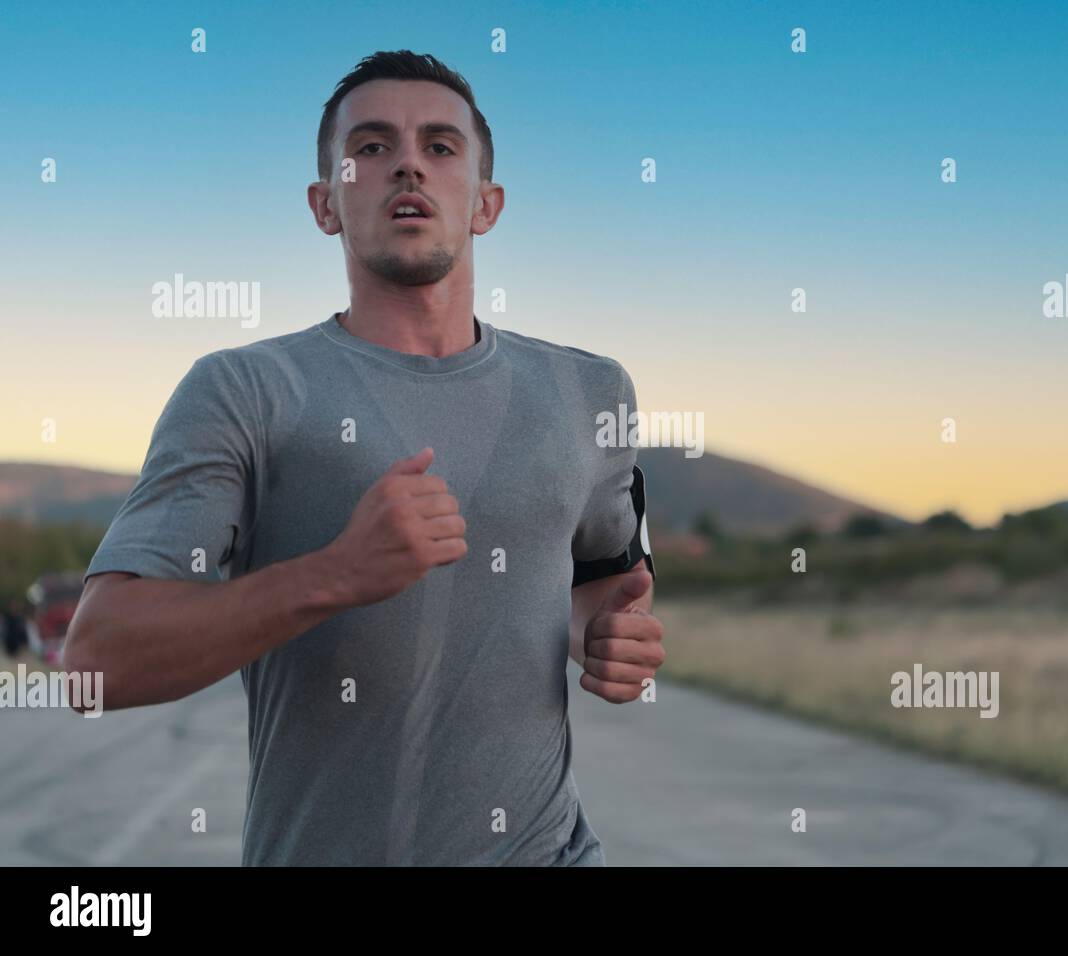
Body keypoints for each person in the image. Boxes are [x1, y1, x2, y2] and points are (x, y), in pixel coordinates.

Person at [64, 50, 666, 866]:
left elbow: (598, 576)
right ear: (326, 204)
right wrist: (334, 575)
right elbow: (96, 662)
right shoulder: (243, 391)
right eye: (373, 147)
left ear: (486, 204)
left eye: (442, 147)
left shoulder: (592, 392)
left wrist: (607, 634)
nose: (409, 162)